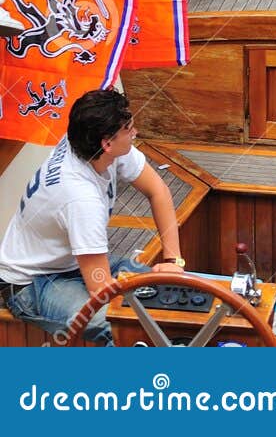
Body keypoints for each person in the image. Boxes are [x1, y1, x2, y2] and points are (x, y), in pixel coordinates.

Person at [0, 88, 184, 344]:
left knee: (170, 293)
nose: (135, 132)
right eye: (129, 128)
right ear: (107, 143)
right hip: (31, 282)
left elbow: (158, 192)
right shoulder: (80, 197)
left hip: (75, 262)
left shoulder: (94, 143)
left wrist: (173, 261)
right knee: (121, 325)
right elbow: (101, 291)